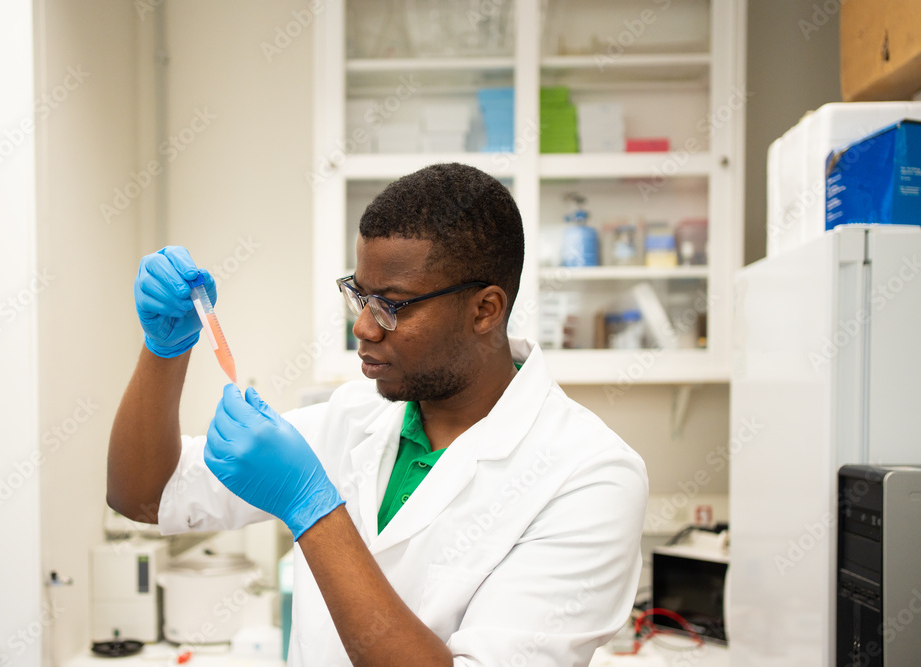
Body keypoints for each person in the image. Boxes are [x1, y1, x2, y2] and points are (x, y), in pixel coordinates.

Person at [107, 162, 648, 666]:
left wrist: (314, 512)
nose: (363, 328)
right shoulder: (352, 416)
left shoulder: (590, 476)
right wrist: (165, 350)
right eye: (359, 296)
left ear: (485, 309)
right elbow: (143, 497)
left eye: (392, 304)